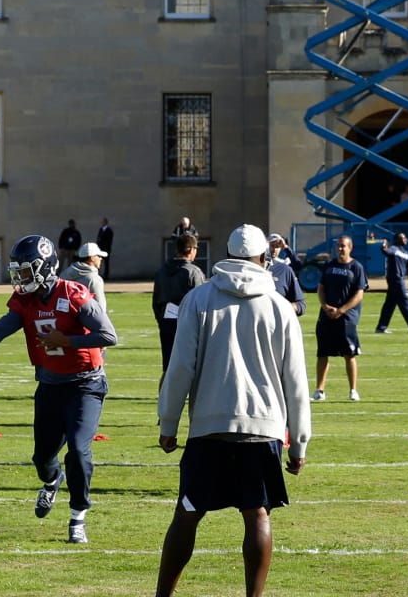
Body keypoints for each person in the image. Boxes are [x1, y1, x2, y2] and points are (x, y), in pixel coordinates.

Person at [155, 224, 311, 597]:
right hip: (263, 427)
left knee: (187, 514)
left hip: (209, 426)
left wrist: (168, 422)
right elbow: (296, 382)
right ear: (264, 258)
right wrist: (299, 443)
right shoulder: (279, 306)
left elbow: (180, 368)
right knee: (257, 513)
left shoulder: (199, 299)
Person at [0, 235, 117, 544]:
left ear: (45, 267)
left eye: (26, 271)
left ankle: (77, 516)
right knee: (42, 458)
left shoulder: (75, 294)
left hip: (86, 383)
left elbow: (109, 335)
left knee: (79, 451)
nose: (20, 278)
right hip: (51, 385)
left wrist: (67, 341)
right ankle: (53, 481)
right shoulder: (25, 301)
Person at [313, 234, 366, 402]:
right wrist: (325, 306)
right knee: (322, 353)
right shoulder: (330, 266)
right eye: (339, 246)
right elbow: (321, 288)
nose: (341, 249)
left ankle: (353, 390)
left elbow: (359, 294)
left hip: (346, 317)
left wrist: (342, 310)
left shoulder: (356, 267)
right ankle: (319, 390)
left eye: (344, 246)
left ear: (350, 248)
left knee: (349, 354)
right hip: (327, 315)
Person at [152, 234, 207, 383]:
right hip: (188, 326)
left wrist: (161, 321)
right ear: (190, 250)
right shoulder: (193, 272)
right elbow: (201, 302)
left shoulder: (162, 271)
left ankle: (164, 404)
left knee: (168, 369)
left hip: (166, 324)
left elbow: (155, 301)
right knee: (194, 370)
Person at [373, 233, 408, 334]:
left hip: (397, 280)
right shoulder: (394, 249)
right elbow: (386, 251)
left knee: (389, 305)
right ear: (397, 240)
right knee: (405, 301)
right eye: (403, 238)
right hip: (397, 280)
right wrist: (384, 247)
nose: (406, 239)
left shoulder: (405, 252)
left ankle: (381, 328)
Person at [60, 242, 109, 312]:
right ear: (92, 258)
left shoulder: (64, 274)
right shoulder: (94, 279)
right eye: (99, 256)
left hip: (65, 319)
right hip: (85, 320)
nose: (101, 259)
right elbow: (100, 310)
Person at [267, 233, 306, 316]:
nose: (274, 249)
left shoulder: (284, 265)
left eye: (277, 246)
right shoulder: (260, 263)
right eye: (272, 246)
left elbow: (298, 265)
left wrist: (286, 247)